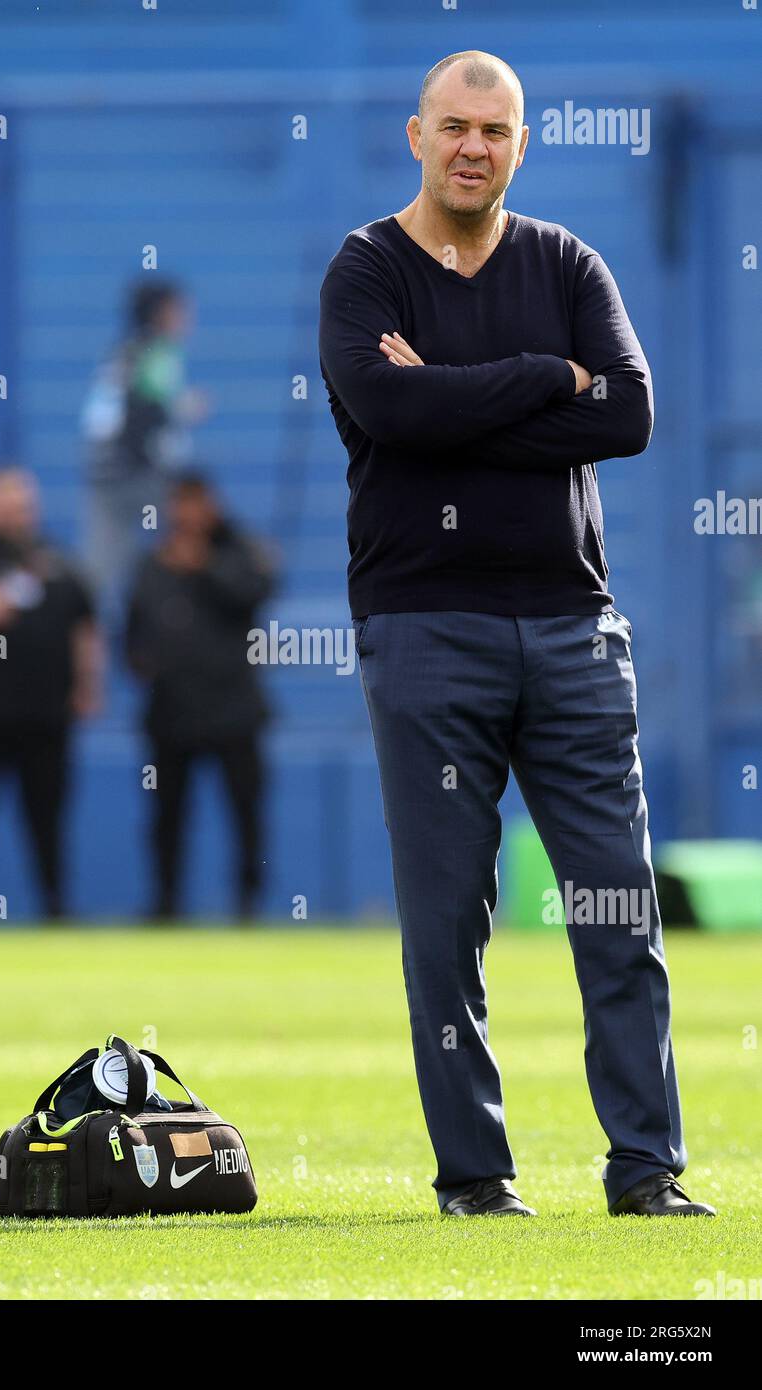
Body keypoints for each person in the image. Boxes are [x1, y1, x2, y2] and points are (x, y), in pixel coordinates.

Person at [318, 50, 715, 1218]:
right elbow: (386, 407)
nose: (473, 147)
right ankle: (476, 1180)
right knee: (447, 922)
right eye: (453, 126)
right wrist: (548, 381)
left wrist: (456, 398)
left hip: (574, 630)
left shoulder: (564, 262)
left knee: (617, 909)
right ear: (416, 135)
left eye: (494, 130)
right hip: (425, 631)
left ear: (520, 144)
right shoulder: (366, 269)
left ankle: (644, 1170)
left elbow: (630, 414)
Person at [0, 467, 102, 918]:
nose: (16, 514)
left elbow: (85, 627)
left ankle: (55, 909)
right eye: (6, 503)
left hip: (43, 716)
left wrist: (87, 687)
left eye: (23, 504)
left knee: (47, 823)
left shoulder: (60, 563)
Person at [125, 473, 276, 920]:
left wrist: (205, 566)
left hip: (234, 711)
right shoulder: (154, 562)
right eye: (181, 505)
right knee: (166, 815)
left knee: (244, 812)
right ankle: (166, 904)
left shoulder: (239, 551)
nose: (188, 515)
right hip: (171, 712)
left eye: (196, 504)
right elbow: (133, 627)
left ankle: (248, 904)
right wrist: (142, 663)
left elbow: (255, 593)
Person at [82, 279, 208, 628]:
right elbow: (147, 413)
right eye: (179, 310)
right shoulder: (159, 352)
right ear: (160, 314)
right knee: (185, 562)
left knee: (100, 576)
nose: (187, 318)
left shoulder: (123, 352)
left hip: (105, 478)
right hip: (137, 479)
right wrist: (183, 410)